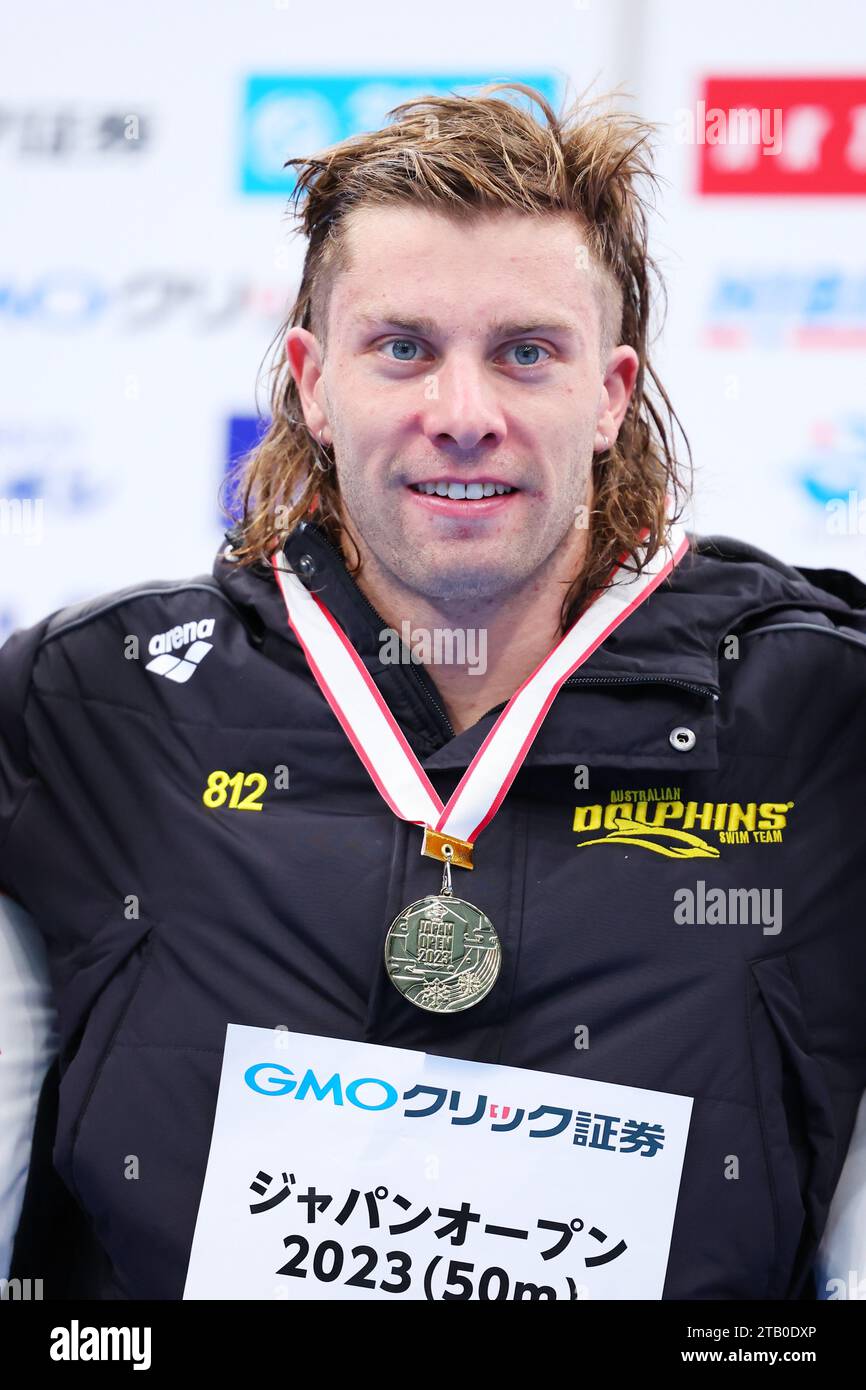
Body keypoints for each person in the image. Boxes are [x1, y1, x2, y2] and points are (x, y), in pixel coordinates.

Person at [1, 82, 865, 1301]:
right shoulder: (92, 705)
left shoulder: (816, 717)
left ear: (611, 392)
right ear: (310, 379)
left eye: (525, 353)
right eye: (402, 349)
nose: (462, 416)